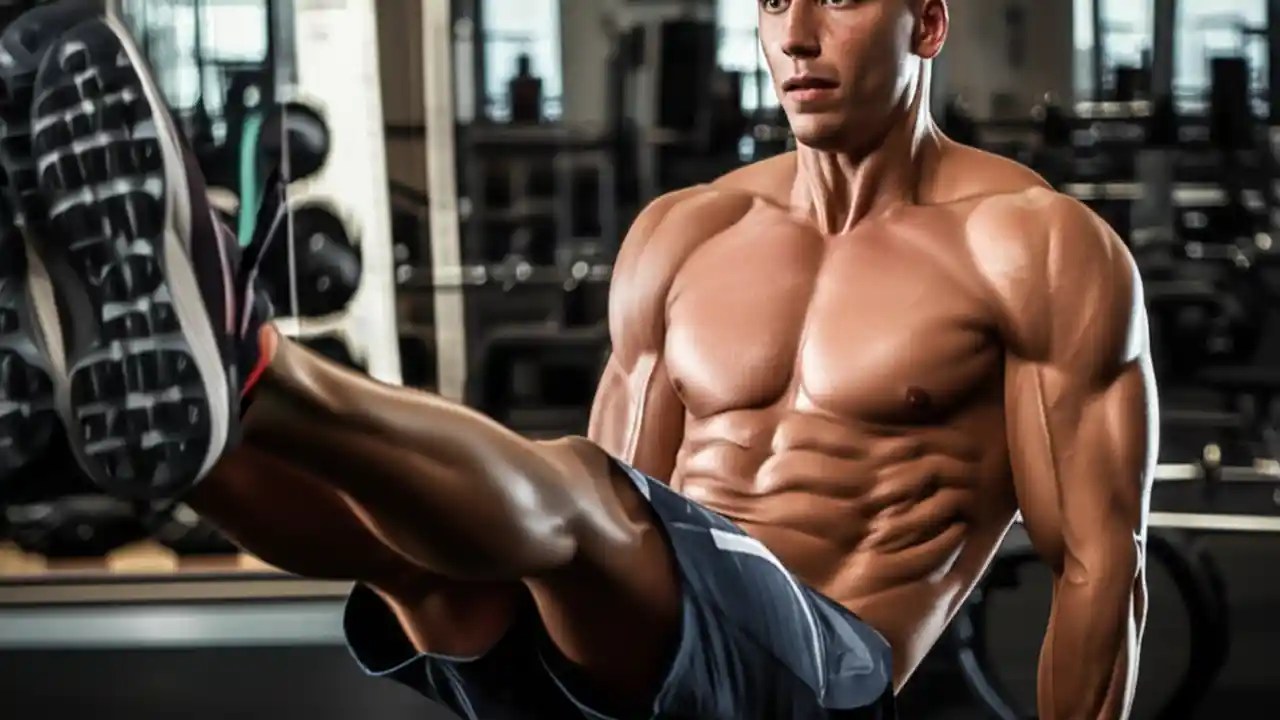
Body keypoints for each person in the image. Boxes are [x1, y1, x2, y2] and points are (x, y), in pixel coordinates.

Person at [0, 1, 1153, 719]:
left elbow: (1101, 568)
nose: (794, 34)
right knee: (431, 563)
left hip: (816, 675)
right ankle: (151, 424)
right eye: (771, 1)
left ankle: (252, 362)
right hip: (629, 661)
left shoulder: (1031, 246)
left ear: (927, 22)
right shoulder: (687, 231)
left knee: (584, 498)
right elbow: (593, 519)